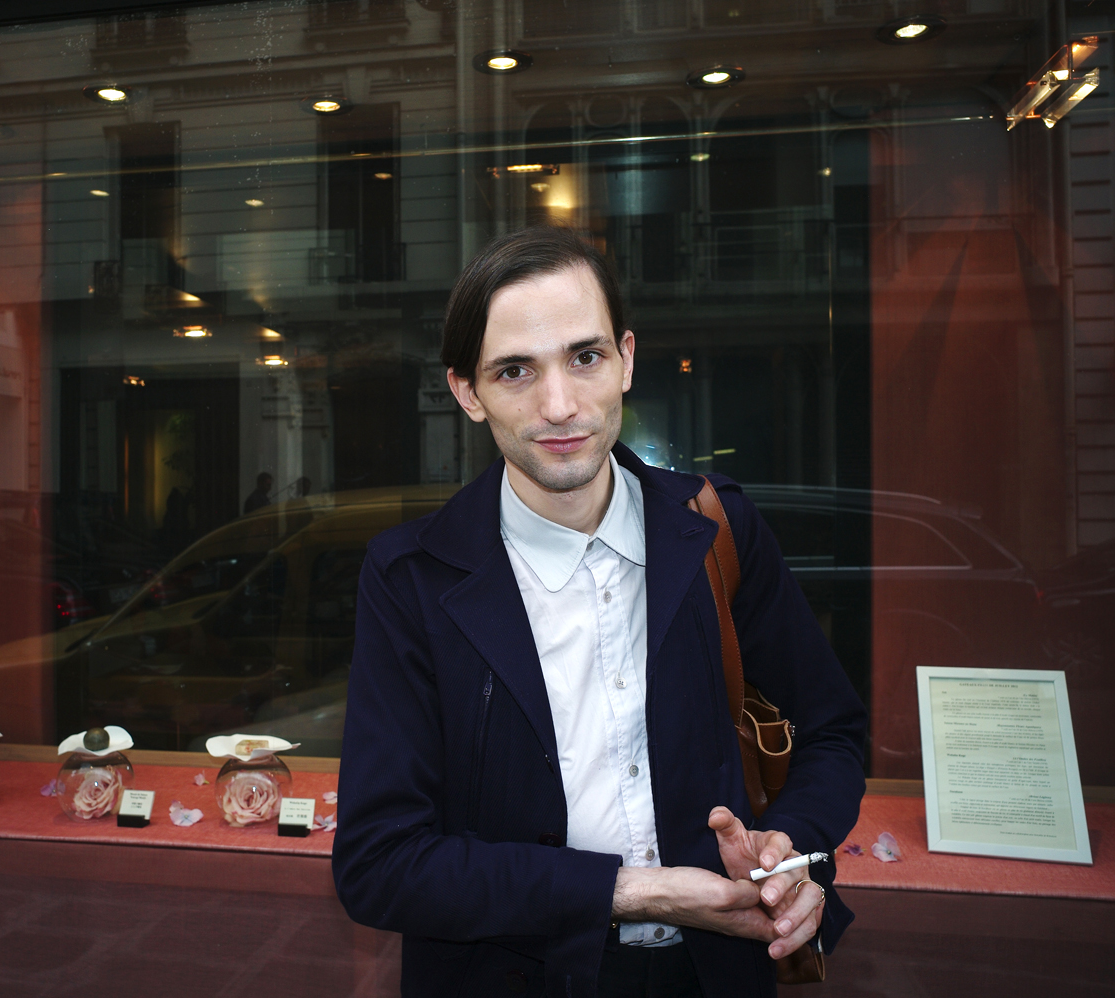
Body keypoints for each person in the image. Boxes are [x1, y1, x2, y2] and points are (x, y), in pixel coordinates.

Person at [332, 227, 867, 998]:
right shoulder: (412, 578)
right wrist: (635, 890)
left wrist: (792, 852)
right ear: (467, 393)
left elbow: (832, 734)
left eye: (584, 357)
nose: (559, 405)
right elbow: (380, 866)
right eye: (515, 370)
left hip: (715, 977)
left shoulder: (718, 529)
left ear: (625, 359)